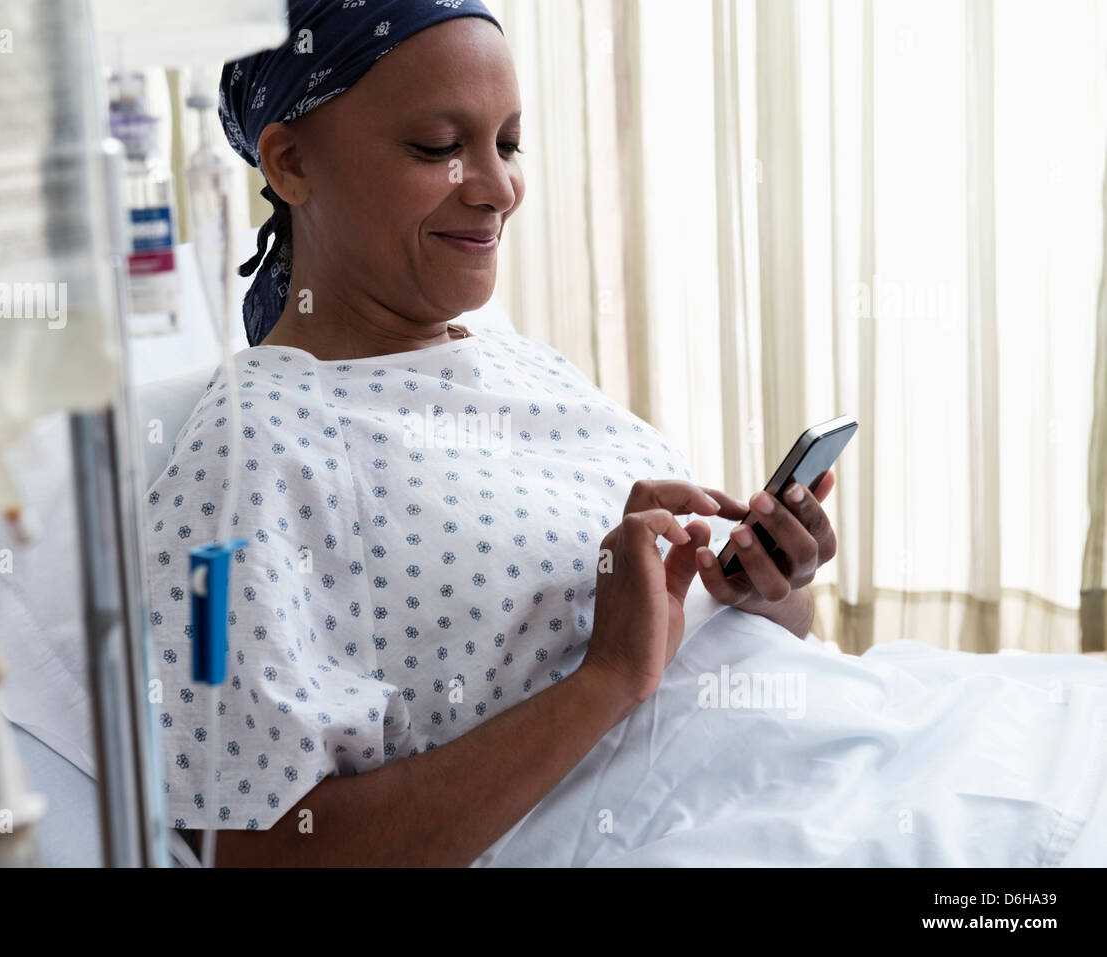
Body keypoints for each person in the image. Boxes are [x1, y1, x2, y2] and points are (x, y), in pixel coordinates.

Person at [145, 0, 838, 867]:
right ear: (290, 162)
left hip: (842, 749)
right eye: (440, 147)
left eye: (508, 143)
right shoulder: (257, 449)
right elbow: (255, 849)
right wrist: (605, 681)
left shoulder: (526, 366)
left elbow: (749, 637)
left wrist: (767, 581)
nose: (498, 186)